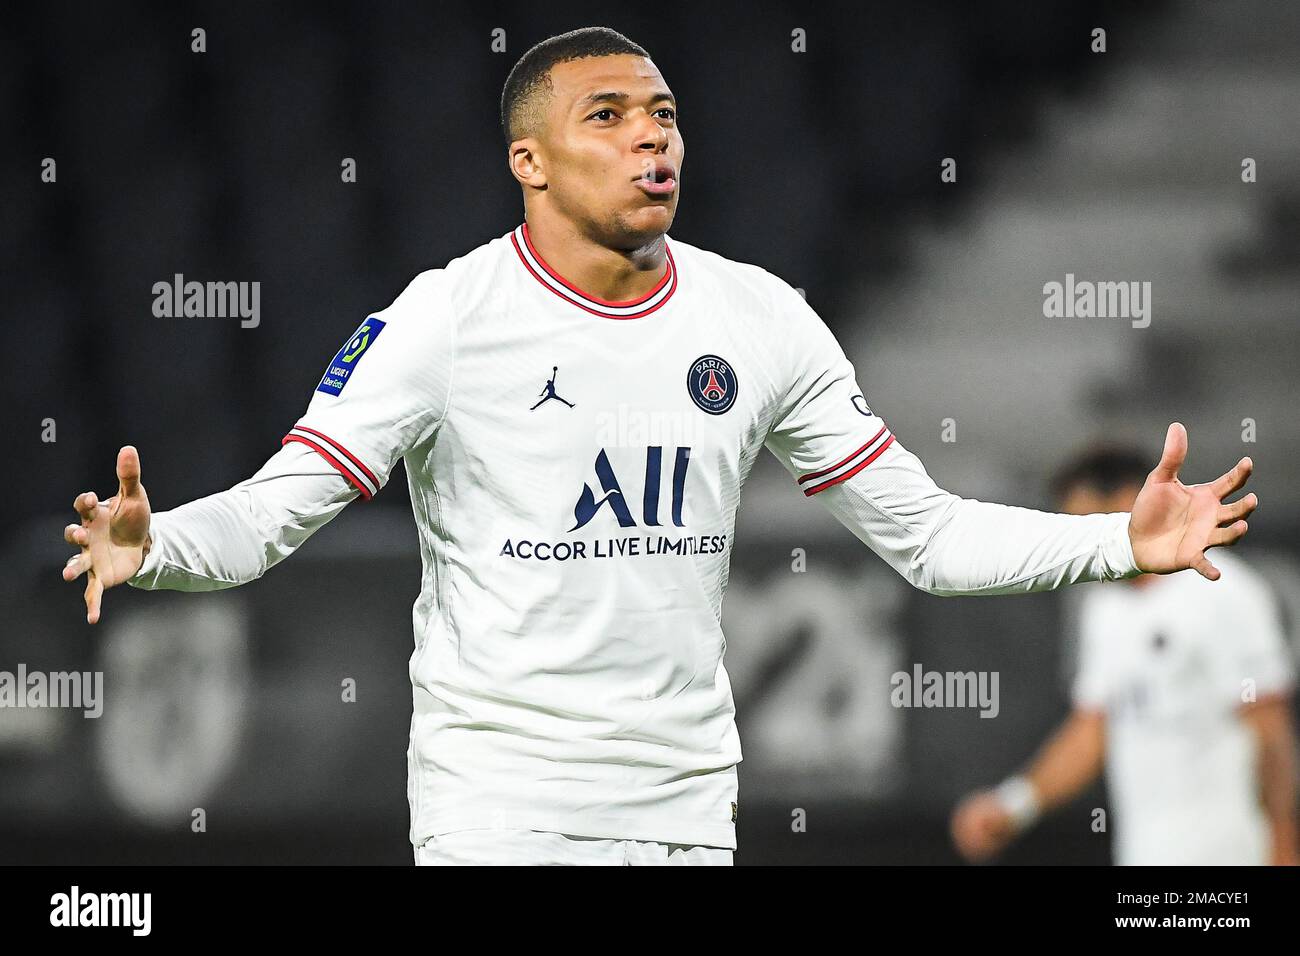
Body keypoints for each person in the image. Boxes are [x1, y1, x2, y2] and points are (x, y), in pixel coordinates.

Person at [61, 27, 1259, 866]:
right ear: (528, 160)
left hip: (685, 815)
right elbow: (274, 511)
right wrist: (156, 542)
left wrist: (1119, 539)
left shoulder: (759, 317)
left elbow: (931, 536)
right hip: (502, 820)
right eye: (611, 116)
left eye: (666, 115)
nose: (653, 139)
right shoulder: (445, 320)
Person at [950, 446, 1296, 865]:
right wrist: (1012, 806)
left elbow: (1270, 732)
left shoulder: (1224, 591)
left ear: (1133, 498)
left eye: (1088, 523)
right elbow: (1093, 729)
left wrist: (1281, 845)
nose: (1084, 542)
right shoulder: (1103, 608)